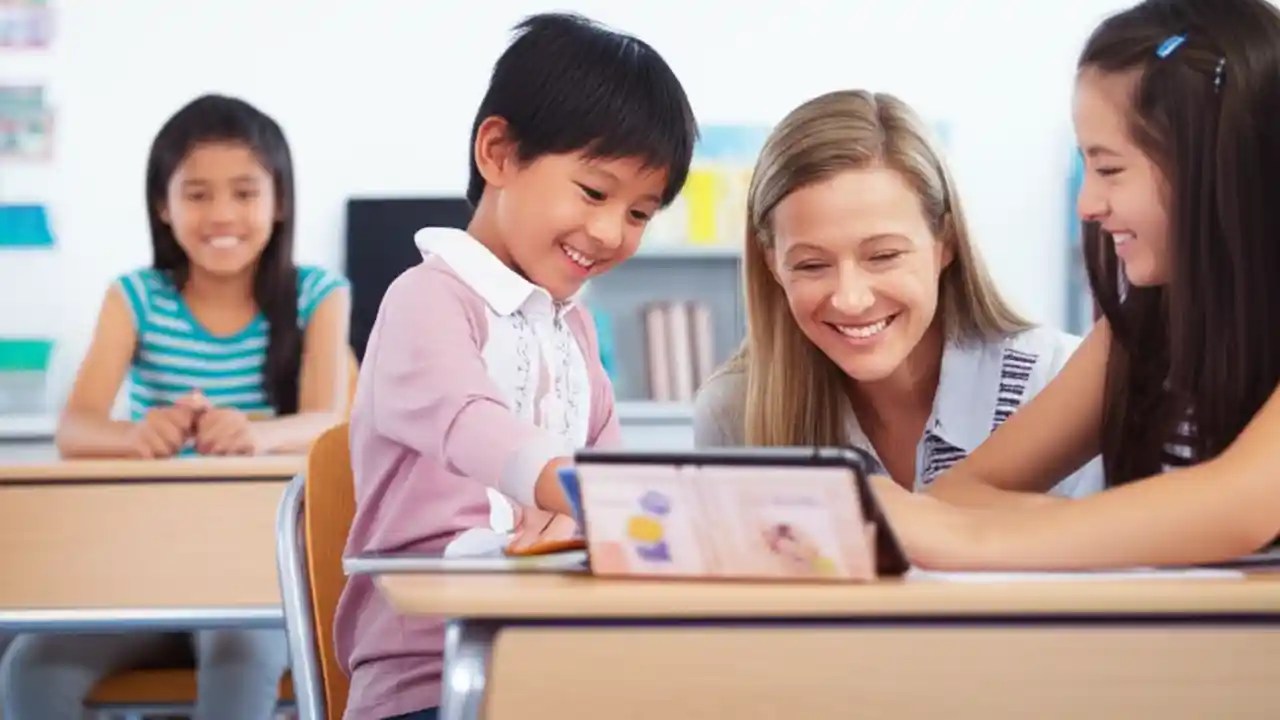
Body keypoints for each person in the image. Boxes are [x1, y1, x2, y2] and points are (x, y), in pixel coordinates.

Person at [334, 13, 698, 720]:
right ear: (497, 153)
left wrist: (610, 513)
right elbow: (469, 421)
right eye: (594, 193)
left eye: (640, 213)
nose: (609, 232)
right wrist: (584, 495)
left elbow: (610, 472)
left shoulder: (575, 330)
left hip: (554, 666)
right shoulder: (425, 300)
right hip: (431, 679)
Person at [877, 0, 1280, 570]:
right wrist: (1130, 523)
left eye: (1110, 168)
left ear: (1217, 164)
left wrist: (978, 537)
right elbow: (961, 494)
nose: (1087, 204)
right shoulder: (1144, 327)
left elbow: (1241, 508)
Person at [1, 94, 350, 719]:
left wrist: (256, 435)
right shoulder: (135, 297)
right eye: (196, 194)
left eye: (244, 192)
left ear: (281, 201)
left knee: (239, 657)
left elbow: (332, 423)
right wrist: (135, 436)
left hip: (253, 578)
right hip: (140, 570)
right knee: (32, 663)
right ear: (163, 206)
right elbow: (75, 428)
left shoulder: (318, 295)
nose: (221, 213)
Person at [693, 89, 1102, 498]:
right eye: (811, 265)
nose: (850, 299)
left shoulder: (1061, 381)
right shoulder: (734, 411)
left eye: (884, 256)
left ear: (946, 242)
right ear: (773, 265)